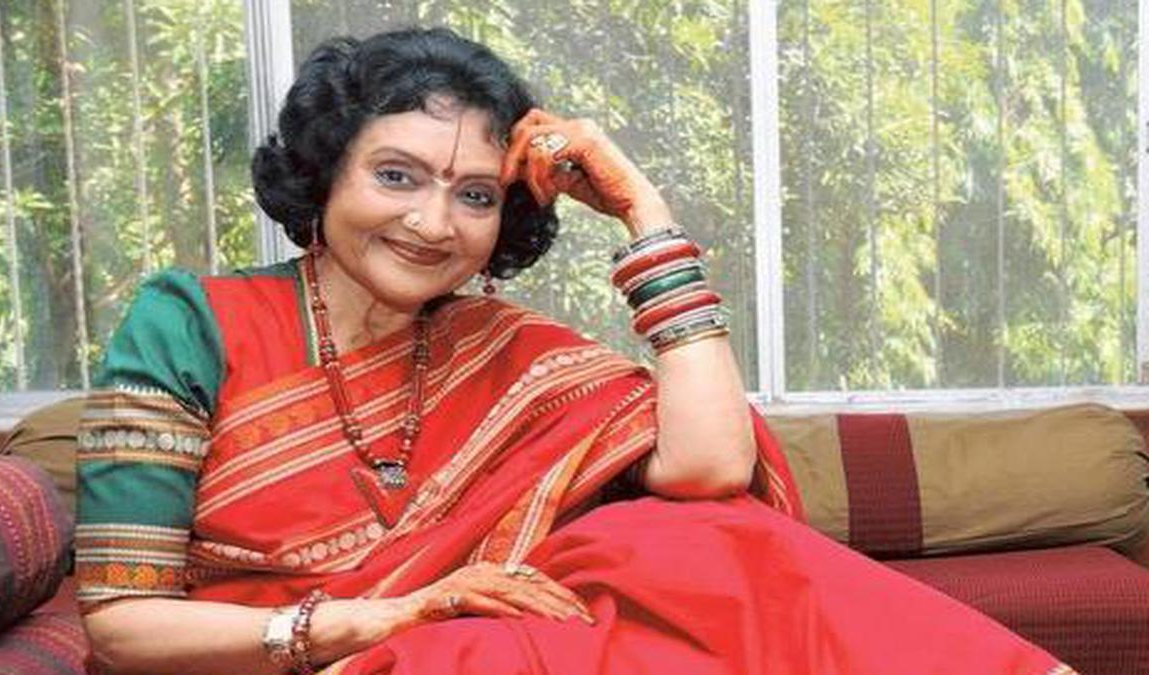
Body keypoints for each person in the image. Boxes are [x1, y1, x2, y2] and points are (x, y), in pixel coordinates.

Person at [75, 27, 1074, 675]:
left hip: (467, 644)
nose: (433, 222)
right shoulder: (186, 323)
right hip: (290, 658)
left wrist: (645, 212)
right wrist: (384, 616)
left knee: (684, 541)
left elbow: (708, 470)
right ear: (324, 174)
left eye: (475, 194)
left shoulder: (499, 348)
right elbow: (121, 629)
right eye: (396, 176)